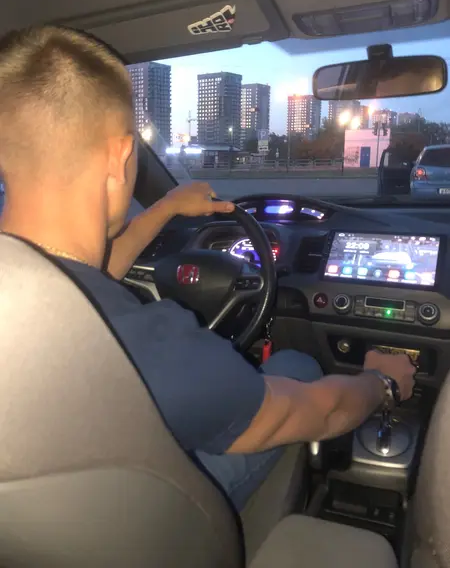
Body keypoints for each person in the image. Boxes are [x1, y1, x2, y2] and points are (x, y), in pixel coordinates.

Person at [0, 26, 416, 511]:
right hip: (142, 530)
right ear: (119, 158)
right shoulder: (150, 346)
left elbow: (86, 276)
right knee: (296, 369)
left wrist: (165, 209)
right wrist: (382, 384)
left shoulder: (43, 293)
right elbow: (316, 413)